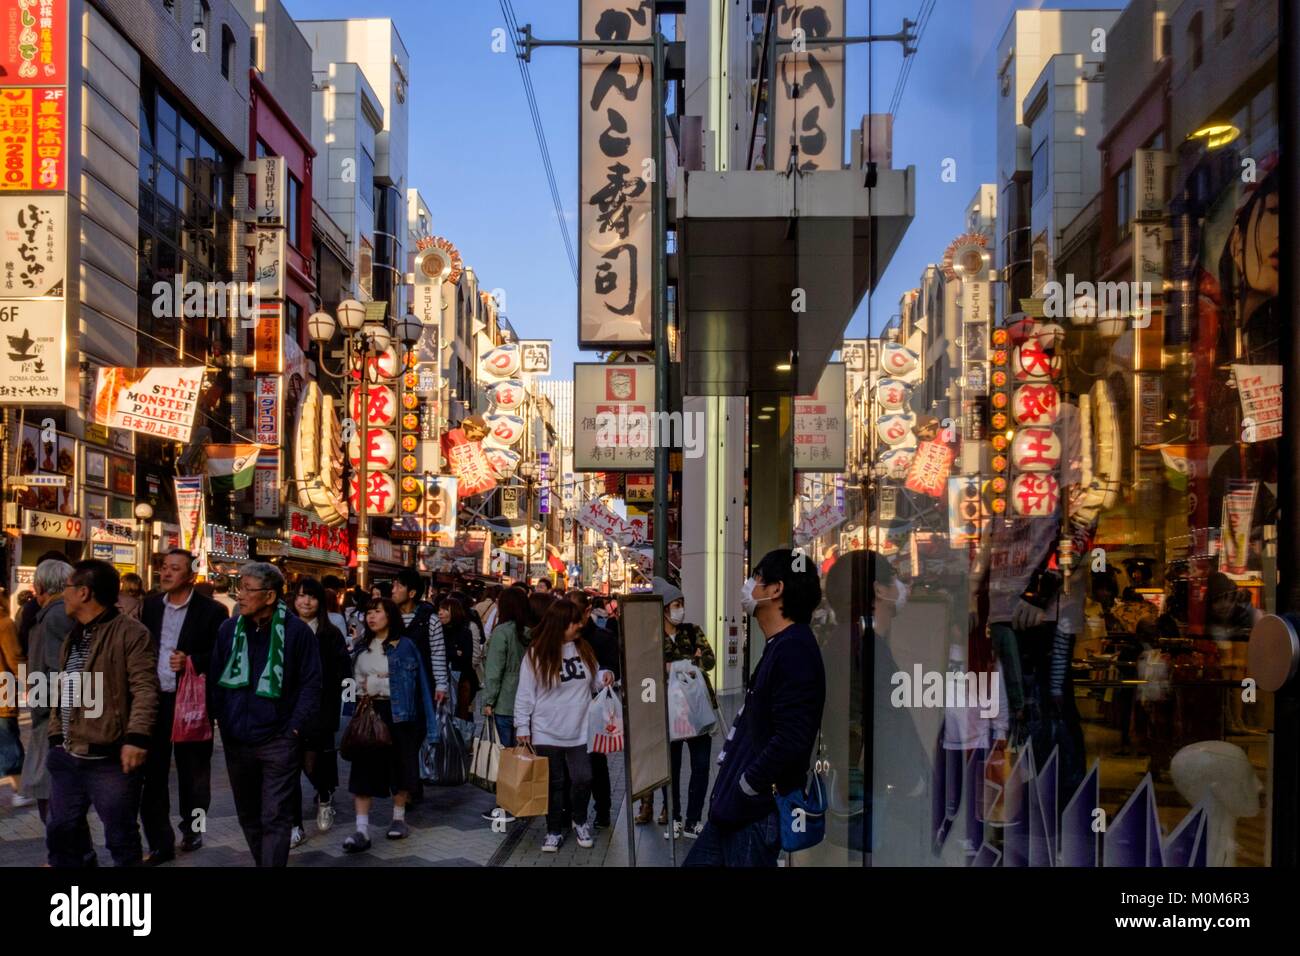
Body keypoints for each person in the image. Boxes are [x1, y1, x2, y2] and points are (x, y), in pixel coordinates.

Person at [684, 549, 826, 868]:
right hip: (736, 812)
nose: (750, 586)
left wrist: (748, 785)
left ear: (776, 590)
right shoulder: (783, 645)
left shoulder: (795, 650)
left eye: (757, 578)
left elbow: (792, 739)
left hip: (755, 815)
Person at [46, 560, 159, 868]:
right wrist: (56, 733)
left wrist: (136, 738)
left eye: (67, 587)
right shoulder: (75, 634)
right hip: (68, 755)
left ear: (84, 592)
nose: (62, 594)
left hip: (109, 760)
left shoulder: (132, 633)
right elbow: (64, 686)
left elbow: (146, 689)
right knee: (60, 831)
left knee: (120, 837)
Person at [208, 562, 321, 867]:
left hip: (278, 741)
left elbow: (311, 685)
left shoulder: (296, 632)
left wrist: (294, 729)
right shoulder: (229, 629)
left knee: (275, 815)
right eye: (238, 588)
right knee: (249, 814)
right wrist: (220, 717)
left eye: (247, 588)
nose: (239, 595)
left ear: (269, 596)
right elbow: (215, 677)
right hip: (236, 740)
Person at [138, 549, 229, 863]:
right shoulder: (148, 606)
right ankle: (160, 841)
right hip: (154, 700)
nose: (166, 573)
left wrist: (191, 660)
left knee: (195, 774)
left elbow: (222, 656)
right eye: (163, 567)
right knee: (152, 772)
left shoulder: (213, 611)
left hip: (191, 702)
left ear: (190, 576)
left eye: (174, 569)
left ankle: (195, 828)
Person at [514, 598, 613, 853]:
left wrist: (605, 677)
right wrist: (522, 727)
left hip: (580, 729)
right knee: (554, 783)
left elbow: (594, 681)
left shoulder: (584, 649)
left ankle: (579, 820)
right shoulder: (537, 653)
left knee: (583, 777)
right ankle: (553, 830)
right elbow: (525, 693)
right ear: (559, 623)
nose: (578, 626)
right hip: (546, 730)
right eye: (573, 622)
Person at [342, 598, 438, 852]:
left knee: (400, 769)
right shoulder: (361, 647)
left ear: (390, 616)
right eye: (369, 612)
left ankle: (398, 819)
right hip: (368, 712)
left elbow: (422, 687)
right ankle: (361, 829)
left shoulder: (406, 647)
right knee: (363, 770)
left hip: (400, 714)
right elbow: (352, 683)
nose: (371, 617)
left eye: (377, 612)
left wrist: (431, 726)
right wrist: (369, 684)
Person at [650, 577, 716, 840]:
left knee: (701, 766)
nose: (680, 609)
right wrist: (689, 660)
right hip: (669, 710)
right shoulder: (652, 634)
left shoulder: (692, 630)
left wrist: (680, 663)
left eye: (682, 604)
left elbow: (709, 660)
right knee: (671, 767)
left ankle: (693, 820)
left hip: (697, 708)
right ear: (664, 608)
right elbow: (649, 666)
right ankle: (674, 817)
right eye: (675, 604)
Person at [289, 577, 351, 846]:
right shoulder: (282, 629)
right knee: (288, 767)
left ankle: (324, 795)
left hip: (321, 710)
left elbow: (344, 674)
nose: (306, 601)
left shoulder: (330, 633)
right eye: (301, 596)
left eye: (312, 597)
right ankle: (294, 825)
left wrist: (342, 710)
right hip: (287, 711)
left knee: (313, 763)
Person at [16, 561, 75, 816]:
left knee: (53, 801)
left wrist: (41, 705)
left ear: (41, 586)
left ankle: (68, 855)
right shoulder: (57, 613)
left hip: (54, 718)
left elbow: (59, 671)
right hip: (55, 715)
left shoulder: (55, 616)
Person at [568, 589, 620, 829]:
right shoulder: (562, 637)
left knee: (597, 761)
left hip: (595, 709)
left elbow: (613, 666)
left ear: (587, 611)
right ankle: (573, 810)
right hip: (567, 710)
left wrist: (608, 673)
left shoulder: (602, 637)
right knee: (571, 763)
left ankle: (602, 810)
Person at [480, 586, 533, 822]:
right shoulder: (530, 633)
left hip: (504, 702)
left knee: (505, 757)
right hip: (528, 704)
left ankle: (505, 805)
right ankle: (524, 800)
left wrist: (488, 700)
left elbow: (493, 672)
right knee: (522, 756)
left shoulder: (502, 633)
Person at [392, 569, 449, 708]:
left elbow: (438, 655)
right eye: (393, 586)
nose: (393, 590)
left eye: (399, 586)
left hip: (420, 686)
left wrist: (441, 685)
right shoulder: (388, 617)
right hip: (392, 686)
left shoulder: (430, 620)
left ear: (411, 593)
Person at [0, 591, 26, 802]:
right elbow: (15, 657)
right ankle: (20, 788)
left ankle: (20, 789)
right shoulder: (5, 623)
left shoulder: (4, 623)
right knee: (7, 741)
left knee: (7, 740)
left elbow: (14, 657)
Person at [439, 595, 478, 733]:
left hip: (462, 681)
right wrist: (455, 652)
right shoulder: (438, 631)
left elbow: (465, 657)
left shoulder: (465, 631)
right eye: (440, 609)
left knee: (461, 716)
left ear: (454, 611)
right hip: (443, 681)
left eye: (445, 610)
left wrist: (452, 653)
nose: (440, 613)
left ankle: (460, 745)